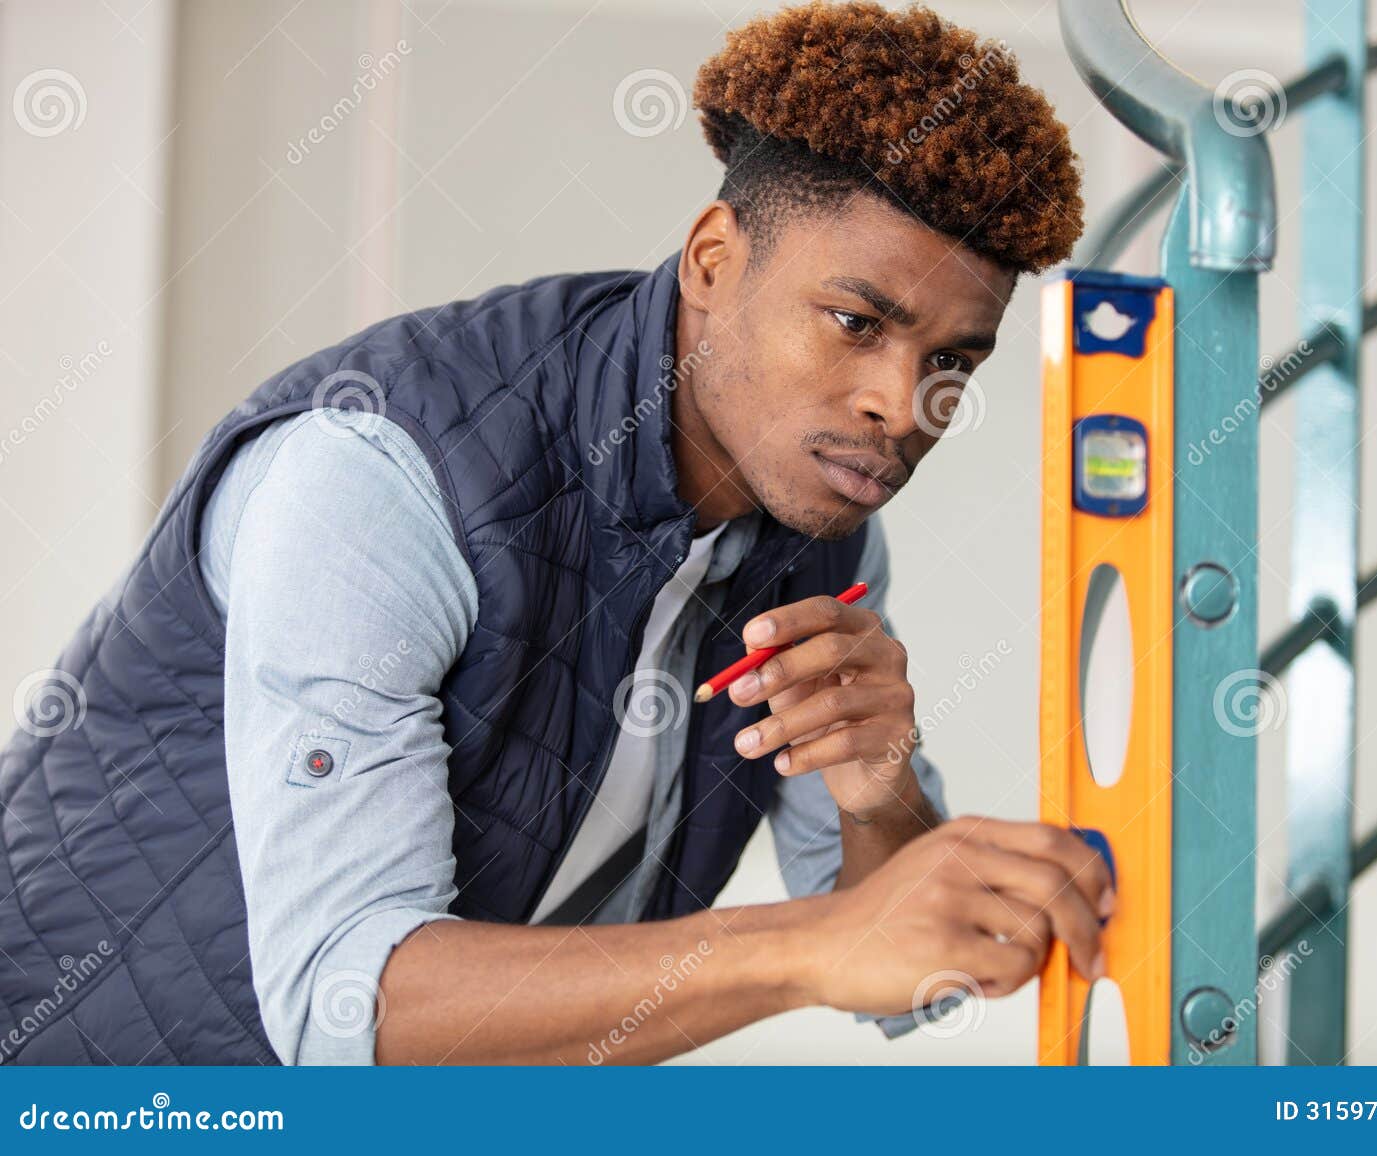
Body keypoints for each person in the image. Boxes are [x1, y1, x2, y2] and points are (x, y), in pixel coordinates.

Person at [0, 0, 1111, 1066]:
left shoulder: (815, 529)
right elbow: (350, 1010)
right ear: (714, 262)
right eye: (857, 323)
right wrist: (807, 952)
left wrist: (883, 802)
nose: (901, 404)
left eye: (953, 361)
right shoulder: (379, 476)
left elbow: (900, 978)